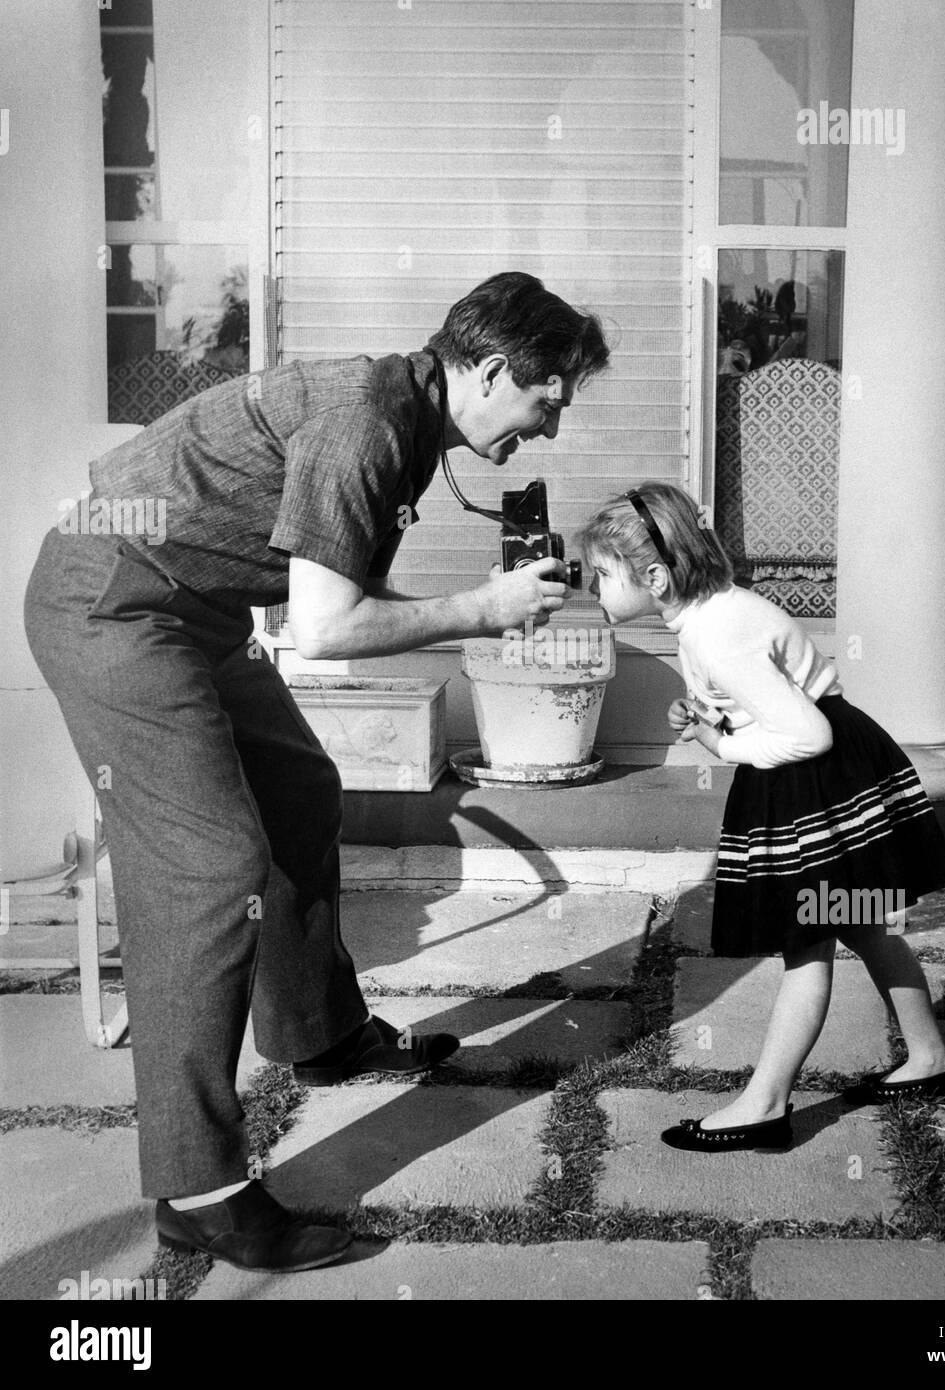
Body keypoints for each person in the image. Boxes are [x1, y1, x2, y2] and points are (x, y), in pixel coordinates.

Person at [23, 271, 609, 1269]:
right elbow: (326, 626)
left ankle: (318, 1032)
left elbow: (330, 582)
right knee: (209, 874)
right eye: (545, 401)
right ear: (494, 370)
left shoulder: (407, 418)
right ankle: (199, 1190)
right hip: (113, 608)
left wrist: (490, 595)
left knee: (299, 788)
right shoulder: (368, 420)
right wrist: (479, 608)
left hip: (191, 609)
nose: (548, 428)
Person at [578, 483, 945, 1154]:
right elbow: (767, 697)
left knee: (807, 940)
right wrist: (711, 717)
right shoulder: (709, 615)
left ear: (653, 576)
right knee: (862, 924)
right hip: (831, 766)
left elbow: (806, 733)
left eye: (601, 575)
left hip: (815, 774)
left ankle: (766, 1103)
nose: (593, 588)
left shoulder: (714, 630)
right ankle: (930, 1059)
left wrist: (721, 745)